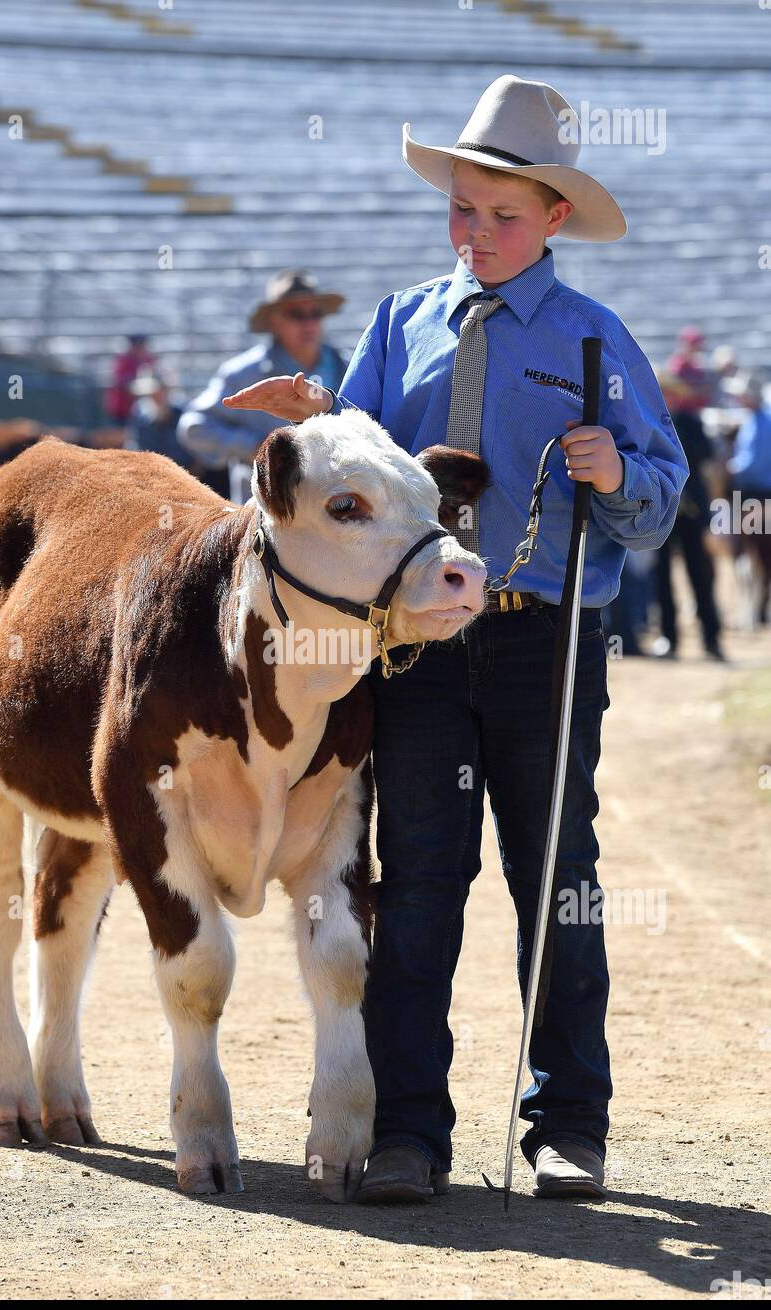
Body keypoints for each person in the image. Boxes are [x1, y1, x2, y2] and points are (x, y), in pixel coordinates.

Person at [224, 75, 688, 1203]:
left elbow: (664, 492)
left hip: (544, 641)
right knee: (419, 880)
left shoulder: (595, 339)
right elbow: (358, 456)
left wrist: (617, 469)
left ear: (553, 221)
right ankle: (405, 1132)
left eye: (503, 216)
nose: (475, 234)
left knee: (554, 875)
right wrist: (316, 415)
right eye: (461, 210)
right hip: (417, 647)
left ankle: (565, 1121)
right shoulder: (400, 319)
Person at [178, 270, 348, 503]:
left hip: (337, 509)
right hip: (265, 517)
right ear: (274, 321)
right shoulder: (242, 375)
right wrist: (253, 446)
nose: (308, 323)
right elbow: (193, 427)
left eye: (315, 313)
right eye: (296, 314)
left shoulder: (348, 367)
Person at [651, 370, 724, 660]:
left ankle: (712, 638)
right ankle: (669, 637)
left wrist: (713, 516)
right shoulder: (647, 425)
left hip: (692, 514)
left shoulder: (691, 424)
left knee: (701, 576)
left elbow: (709, 472)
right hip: (659, 513)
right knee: (662, 578)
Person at [724, 372, 771, 625]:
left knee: (748, 552)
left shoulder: (757, 423)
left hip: (754, 496)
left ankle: (753, 611)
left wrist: (726, 468)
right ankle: (759, 609)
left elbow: (749, 464)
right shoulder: (761, 420)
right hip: (763, 494)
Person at [124, 369, 196, 471]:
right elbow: (137, 446)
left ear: (167, 391)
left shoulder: (183, 412)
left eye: (159, 391)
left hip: (185, 473)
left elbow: (195, 454)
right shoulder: (140, 415)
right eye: (151, 393)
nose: (155, 396)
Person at [105, 334, 156, 426]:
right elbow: (119, 382)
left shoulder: (149, 359)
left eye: (142, 345)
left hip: (146, 410)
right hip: (122, 411)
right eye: (137, 345)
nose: (140, 348)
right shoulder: (123, 360)